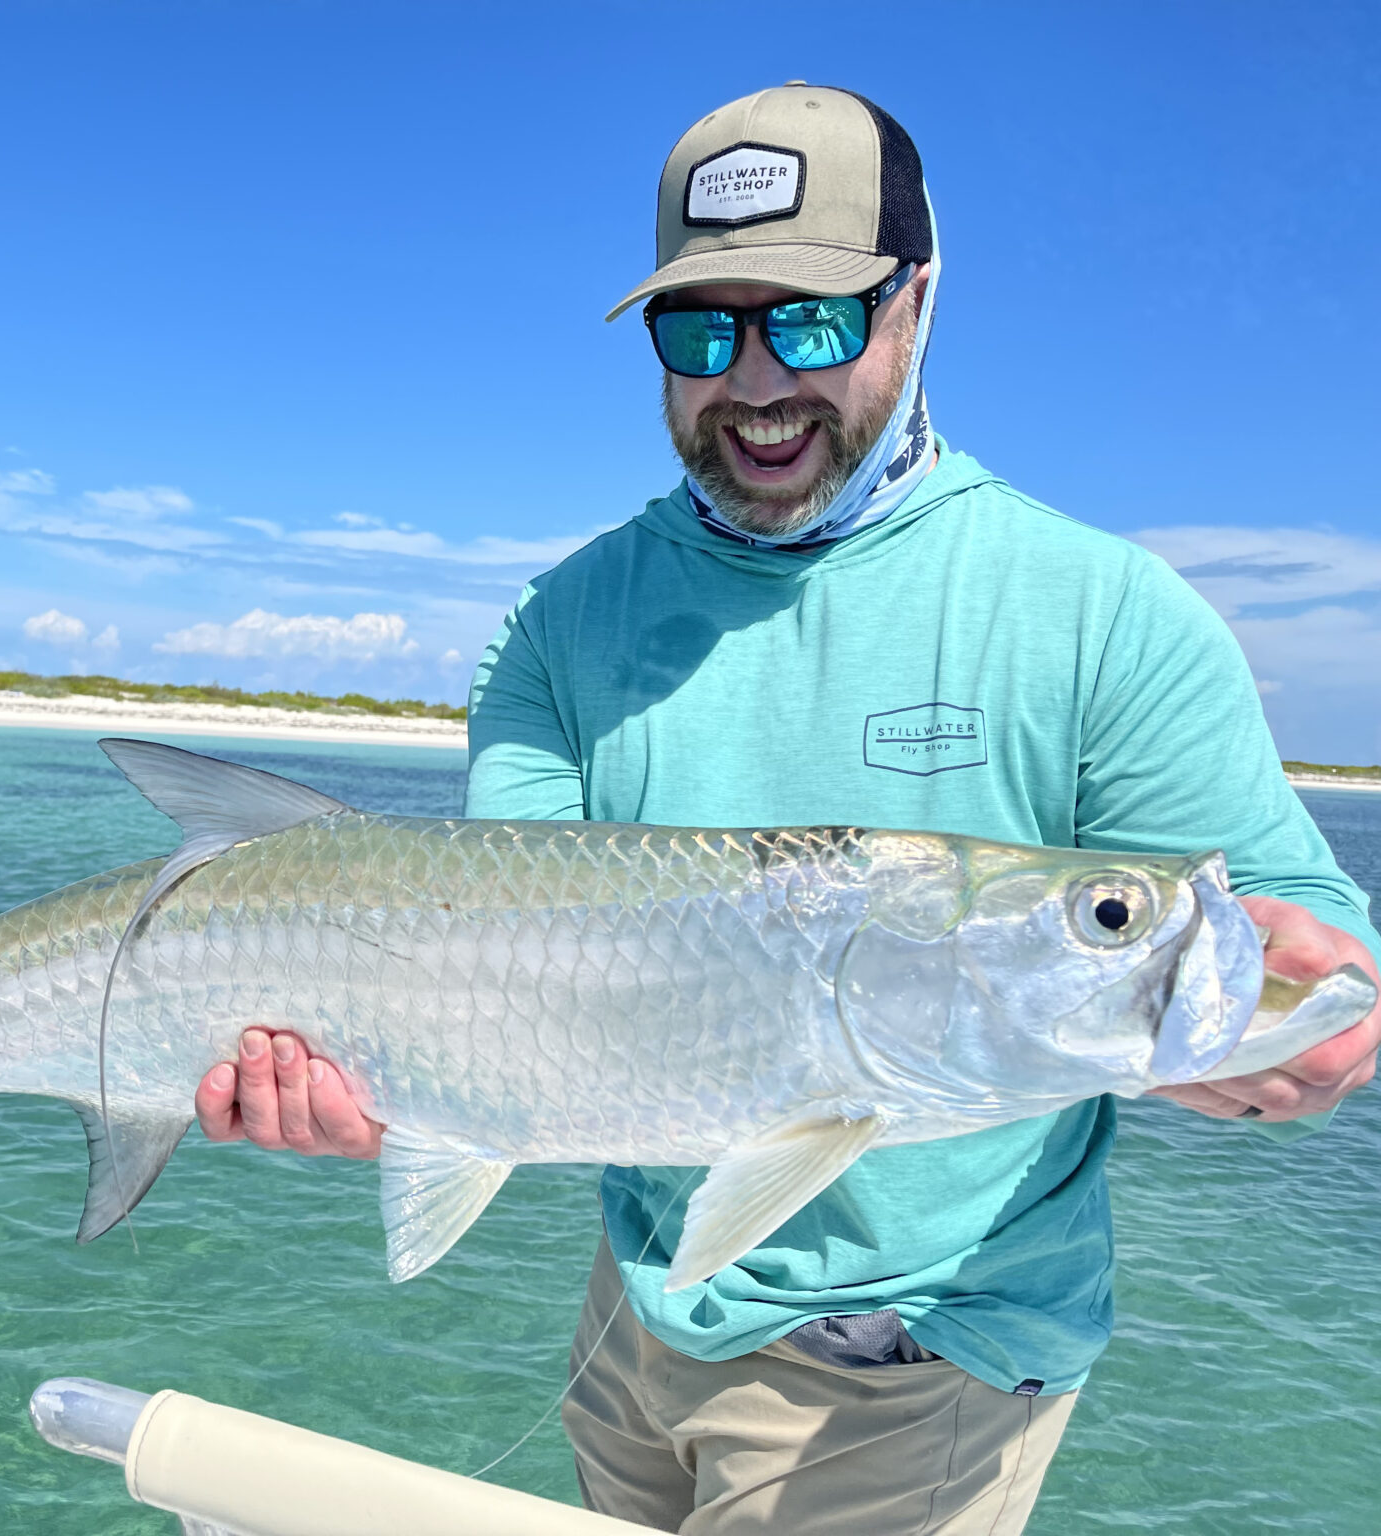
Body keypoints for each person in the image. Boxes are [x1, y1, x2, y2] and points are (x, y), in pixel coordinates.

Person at [192, 84, 1381, 1534]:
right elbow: (505, 950)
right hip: (639, 1304)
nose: (754, 384)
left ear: (918, 300)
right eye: (701, 333)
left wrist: (1314, 1014)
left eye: (812, 323)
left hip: (921, 1360)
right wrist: (390, 1076)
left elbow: (1305, 936)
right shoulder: (560, 621)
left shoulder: (1105, 613)